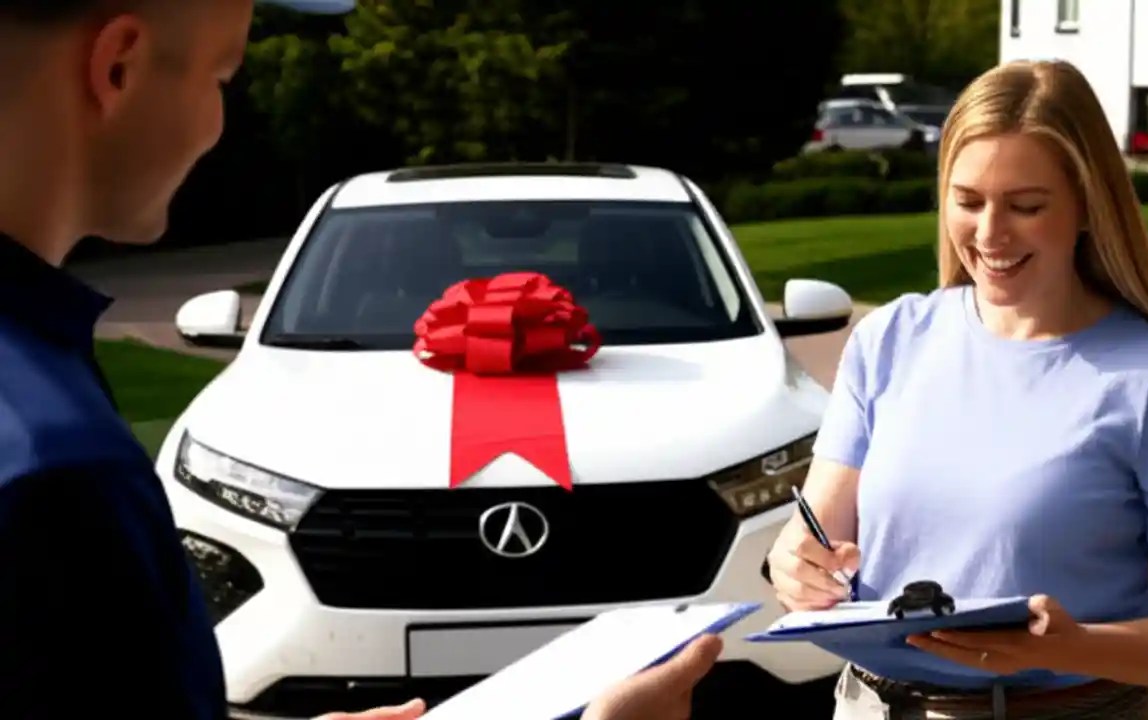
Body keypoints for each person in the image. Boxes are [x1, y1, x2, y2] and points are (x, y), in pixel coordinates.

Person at [0, 0, 721, 718]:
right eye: (223, 79)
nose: (221, 125)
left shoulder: (35, 403)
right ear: (118, 68)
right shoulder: (58, 468)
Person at [767, 59, 1148, 720]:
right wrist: (795, 566)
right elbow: (818, 540)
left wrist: (1074, 647)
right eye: (967, 201)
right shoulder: (888, 339)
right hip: (871, 706)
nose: (990, 234)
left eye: (1026, 206)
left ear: (1089, 206)